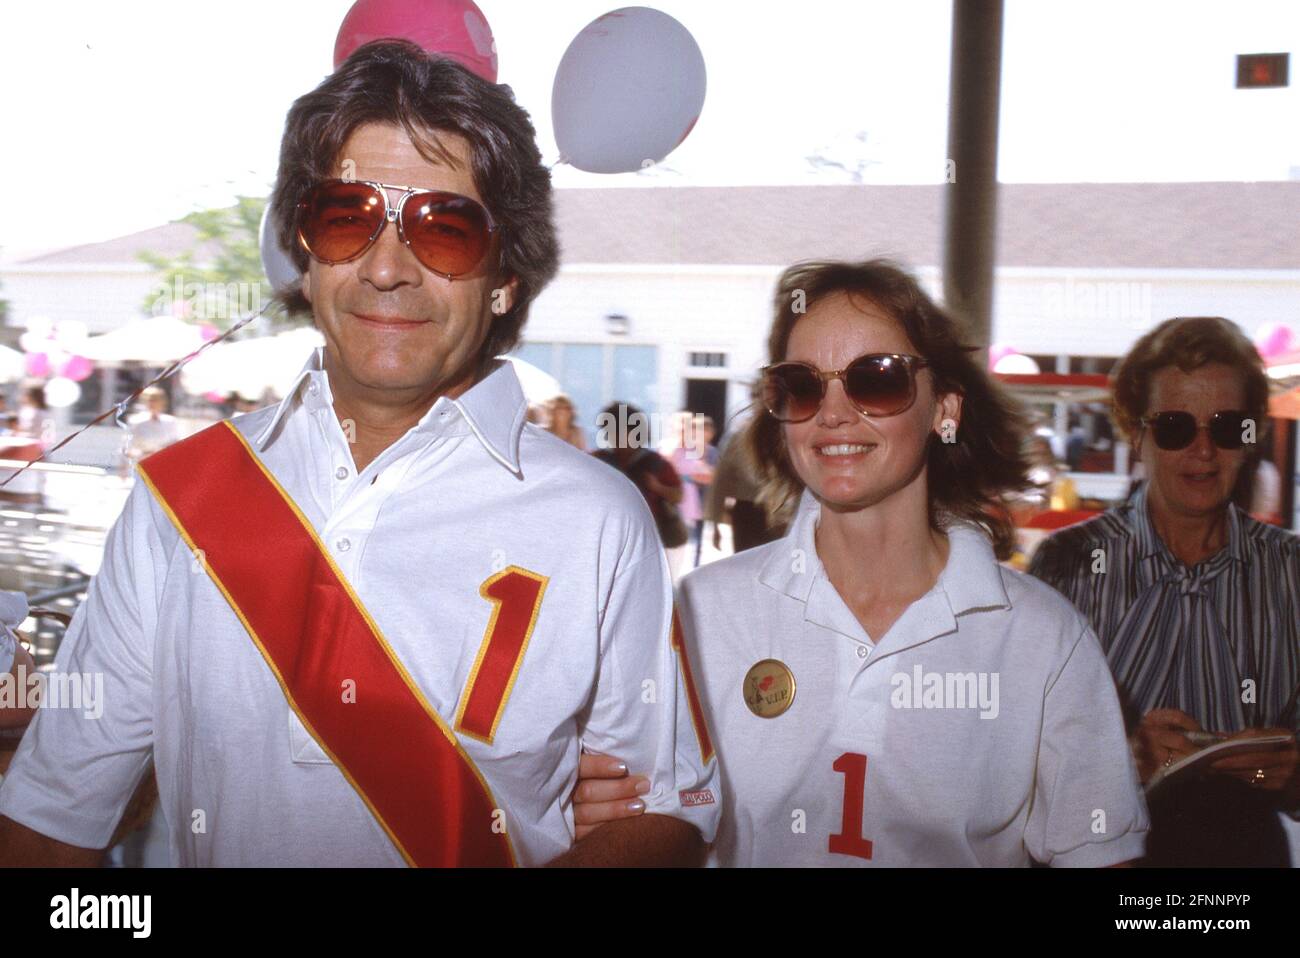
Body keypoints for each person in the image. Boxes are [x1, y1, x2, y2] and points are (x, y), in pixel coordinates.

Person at [0, 40, 717, 868]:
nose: (386, 267)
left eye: (444, 229)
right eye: (348, 217)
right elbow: (54, 824)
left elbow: (663, 814)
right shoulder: (176, 499)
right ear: (305, 256)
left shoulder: (599, 518)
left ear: (504, 278)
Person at [573, 259, 1149, 866]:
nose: (833, 412)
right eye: (802, 384)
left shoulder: (1042, 636)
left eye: (877, 379)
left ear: (944, 411)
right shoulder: (699, 611)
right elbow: (641, 815)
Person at [1027, 317, 1299, 866]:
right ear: (1136, 432)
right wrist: (1120, 762)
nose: (1202, 451)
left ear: (1250, 438)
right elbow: (1010, 763)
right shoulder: (1067, 566)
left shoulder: (1291, 573)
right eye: (1176, 427)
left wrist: (1287, 773)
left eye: (1225, 427)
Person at [592, 402, 686, 552]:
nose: (611, 437)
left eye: (616, 431)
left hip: (649, 541)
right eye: (608, 431)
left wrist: (657, 487)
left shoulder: (656, 463)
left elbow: (678, 496)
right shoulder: (598, 460)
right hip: (607, 538)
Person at [124, 387, 184, 464]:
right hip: (142, 464)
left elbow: (176, 445)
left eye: (155, 400)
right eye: (149, 400)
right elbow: (128, 448)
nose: (152, 403)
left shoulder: (171, 421)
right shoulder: (135, 421)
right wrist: (144, 454)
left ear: (162, 402)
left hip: (164, 463)